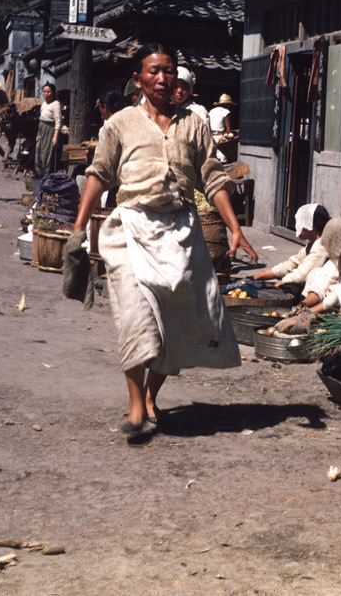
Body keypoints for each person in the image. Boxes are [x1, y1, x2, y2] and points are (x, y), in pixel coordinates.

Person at [69, 42, 258, 439]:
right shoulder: (120, 124)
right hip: (131, 228)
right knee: (137, 317)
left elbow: (213, 176)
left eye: (168, 70)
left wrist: (235, 227)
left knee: (174, 326)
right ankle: (136, 405)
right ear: (137, 79)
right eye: (153, 71)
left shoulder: (194, 124)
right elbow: (99, 174)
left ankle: (151, 394)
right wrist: (78, 227)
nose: (162, 78)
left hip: (180, 233)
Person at [252, 203, 331, 298]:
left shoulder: (321, 246)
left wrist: (278, 284)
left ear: (310, 226)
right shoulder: (312, 244)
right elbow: (292, 264)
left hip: (319, 292)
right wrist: (258, 277)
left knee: (288, 289)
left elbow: (301, 275)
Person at [33, 82, 63, 178]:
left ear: (53, 93)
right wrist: (38, 134)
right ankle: (39, 174)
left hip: (50, 130)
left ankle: (46, 176)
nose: (46, 94)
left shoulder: (56, 104)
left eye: (48, 92)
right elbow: (41, 119)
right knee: (38, 152)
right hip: (41, 129)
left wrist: (55, 137)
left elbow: (58, 121)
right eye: (44, 92)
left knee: (47, 154)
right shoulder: (43, 104)